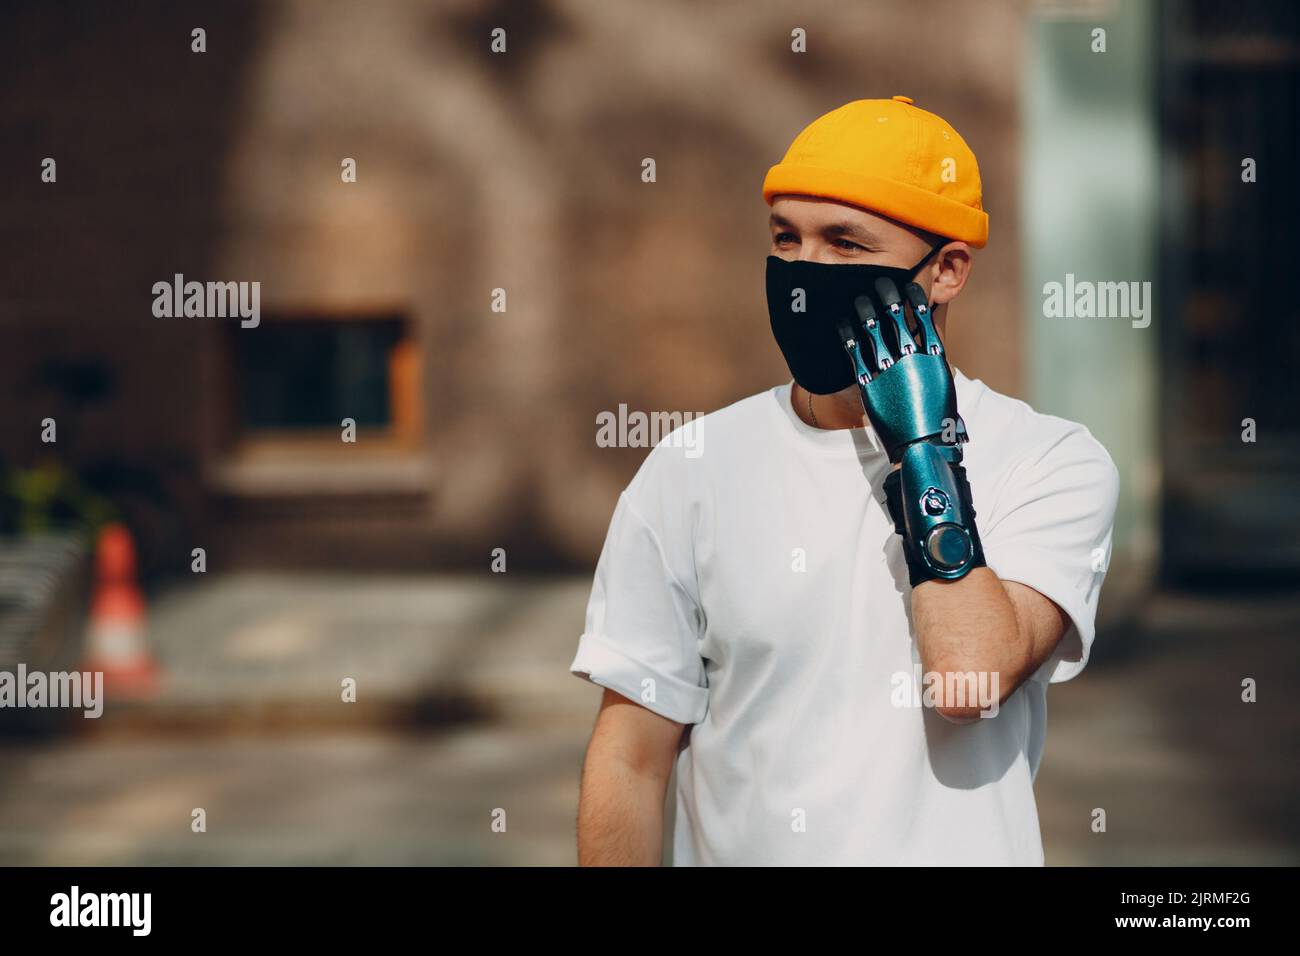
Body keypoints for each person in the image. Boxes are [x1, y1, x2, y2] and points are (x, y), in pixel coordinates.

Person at [569, 96, 1120, 866]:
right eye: (786, 237)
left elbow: (971, 681)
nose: (803, 272)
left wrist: (922, 450)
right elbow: (630, 759)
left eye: (845, 244)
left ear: (947, 271)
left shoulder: (1052, 461)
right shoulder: (690, 466)